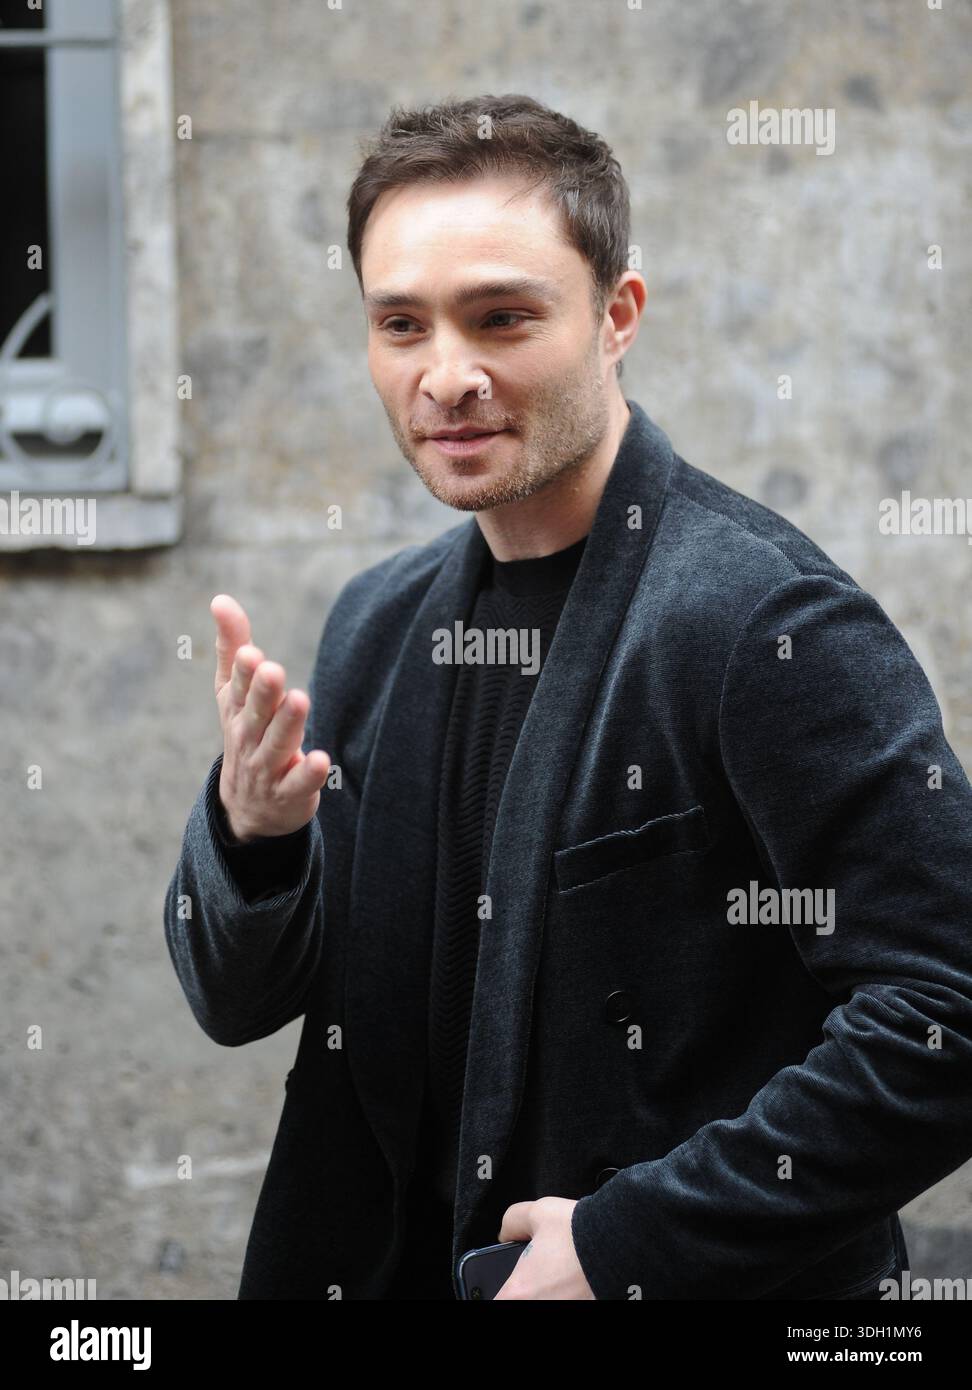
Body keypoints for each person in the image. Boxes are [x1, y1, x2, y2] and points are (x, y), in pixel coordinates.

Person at [164, 94, 972, 1300]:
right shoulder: (375, 623)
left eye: (503, 317)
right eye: (401, 323)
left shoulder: (766, 622)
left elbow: (946, 1011)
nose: (447, 376)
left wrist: (633, 1244)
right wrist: (256, 840)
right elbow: (236, 1004)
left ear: (617, 317)